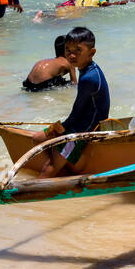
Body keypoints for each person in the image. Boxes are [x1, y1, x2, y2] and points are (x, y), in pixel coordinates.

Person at [33, 27, 110, 176]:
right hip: (80, 124)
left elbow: (76, 112)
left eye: (78, 50)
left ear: (91, 52)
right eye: (68, 50)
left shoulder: (89, 78)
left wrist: (59, 129)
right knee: (36, 139)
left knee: (49, 168)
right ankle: (71, 160)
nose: (71, 55)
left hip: (86, 130)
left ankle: (71, 163)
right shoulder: (86, 68)